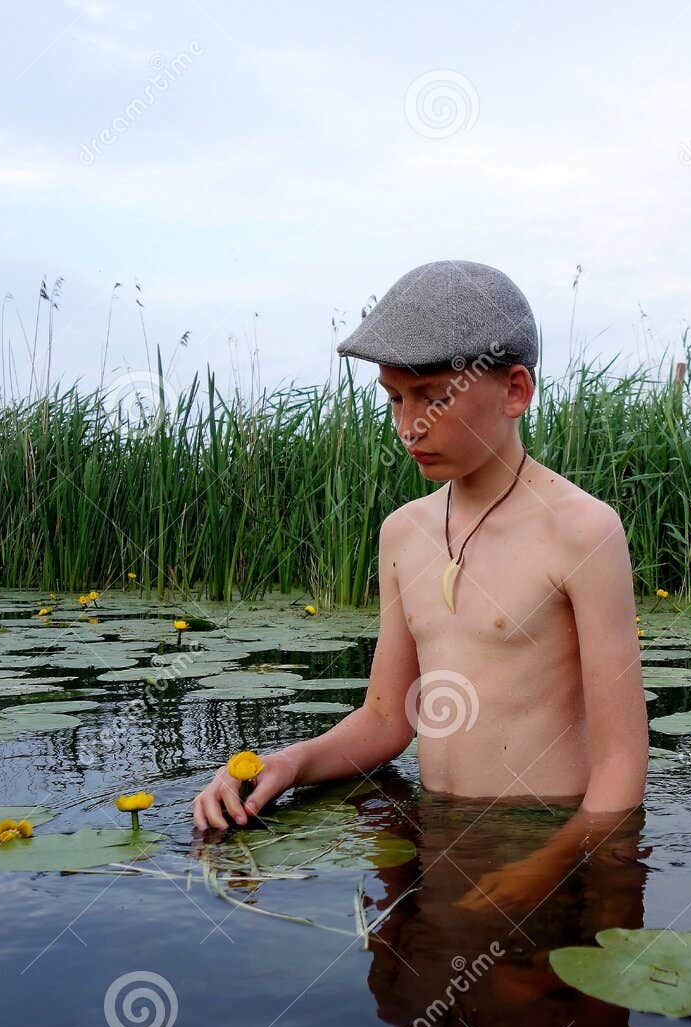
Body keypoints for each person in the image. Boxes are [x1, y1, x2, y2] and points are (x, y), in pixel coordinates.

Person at [191, 259, 649, 912]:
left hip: (550, 836)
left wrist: (546, 867)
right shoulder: (403, 534)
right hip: (436, 834)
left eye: (432, 396)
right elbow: (386, 719)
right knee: (399, 999)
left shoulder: (583, 532)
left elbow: (621, 766)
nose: (409, 426)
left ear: (515, 390)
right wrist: (288, 763)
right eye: (394, 399)